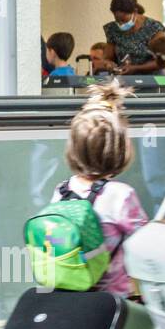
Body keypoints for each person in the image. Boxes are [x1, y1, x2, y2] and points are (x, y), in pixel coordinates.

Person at [52, 81, 149, 297]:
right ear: (119, 149)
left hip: (70, 296)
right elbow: (146, 242)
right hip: (113, 301)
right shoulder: (120, 195)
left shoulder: (62, 190)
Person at [99, 0, 164, 75]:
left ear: (135, 12)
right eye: (117, 20)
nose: (121, 24)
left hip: (151, 78)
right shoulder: (112, 29)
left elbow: (161, 62)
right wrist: (108, 64)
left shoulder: (154, 28)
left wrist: (136, 68)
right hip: (124, 78)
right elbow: (107, 57)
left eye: (124, 20)